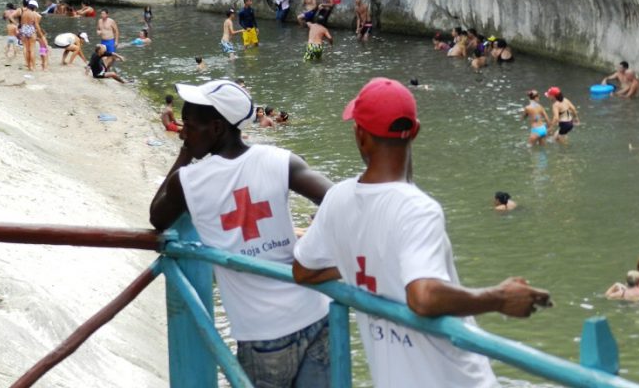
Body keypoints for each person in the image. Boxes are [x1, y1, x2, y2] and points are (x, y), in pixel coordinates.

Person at [292, 77, 551, 388]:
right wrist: (499, 298)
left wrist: (365, 263)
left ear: (360, 135)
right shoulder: (418, 209)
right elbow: (423, 297)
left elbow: (303, 270)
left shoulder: (337, 199)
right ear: (415, 131)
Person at [149, 79, 333, 387]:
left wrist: (185, 153)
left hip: (262, 331)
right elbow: (337, 202)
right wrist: (314, 248)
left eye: (190, 126)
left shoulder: (190, 181)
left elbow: (157, 216)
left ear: (217, 128)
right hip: (316, 313)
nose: (183, 132)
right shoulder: (279, 159)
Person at [20, 0, 43, 71]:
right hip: (31, 28)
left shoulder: (23, 13)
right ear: (34, 7)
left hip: (24, 29)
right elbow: (36, 24)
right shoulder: (33, 14)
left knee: (26, 49)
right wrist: (41, 34)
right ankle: (33, 67)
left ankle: (28, 66)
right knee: (32, 49)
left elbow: (21, 23)